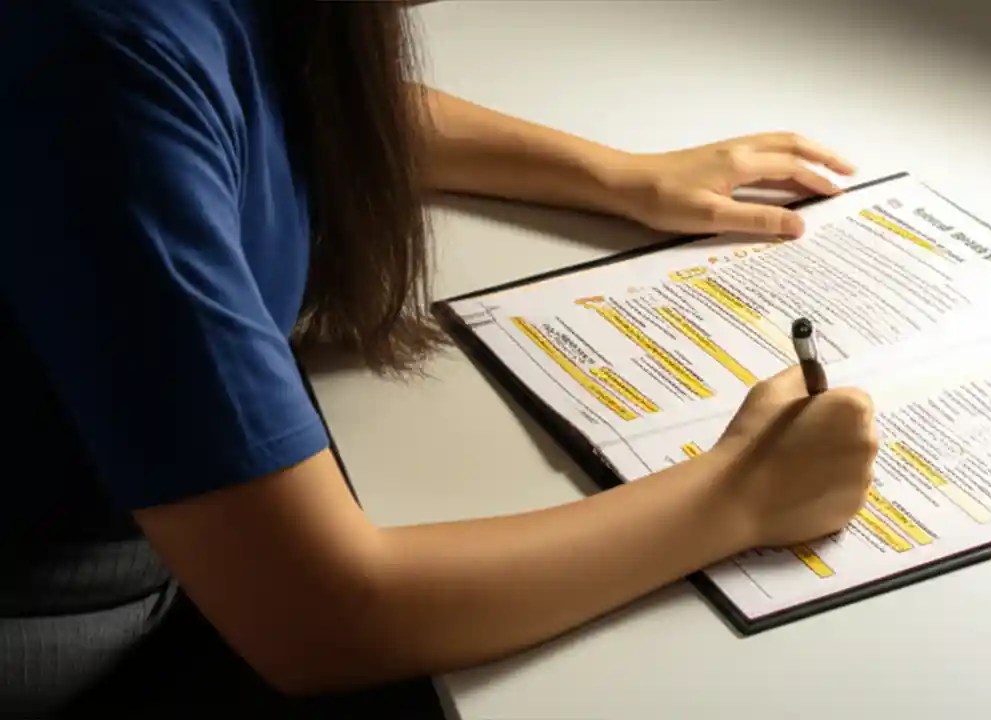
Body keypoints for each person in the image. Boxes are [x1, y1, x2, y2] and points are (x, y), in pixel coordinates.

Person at [0, 0, 880, 715]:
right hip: (64, 612)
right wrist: (739, 495)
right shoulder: (95, 69)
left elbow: (289, 91)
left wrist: (612, 176)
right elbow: (316, 615)